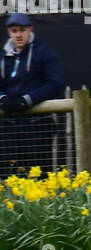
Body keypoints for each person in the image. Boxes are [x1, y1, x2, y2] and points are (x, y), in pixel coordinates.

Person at [0, 14, 64, 176]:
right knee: (9, 176)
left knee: (38, 174)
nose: (18, 35)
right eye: (14, 31)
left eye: (22, 30)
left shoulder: (44, 52)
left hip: (37, 125)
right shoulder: (2, 56)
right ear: (9, 32)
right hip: (8, 126)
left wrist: (28, 99)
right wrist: (3, 99)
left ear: (31, 30)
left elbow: (56, 84)